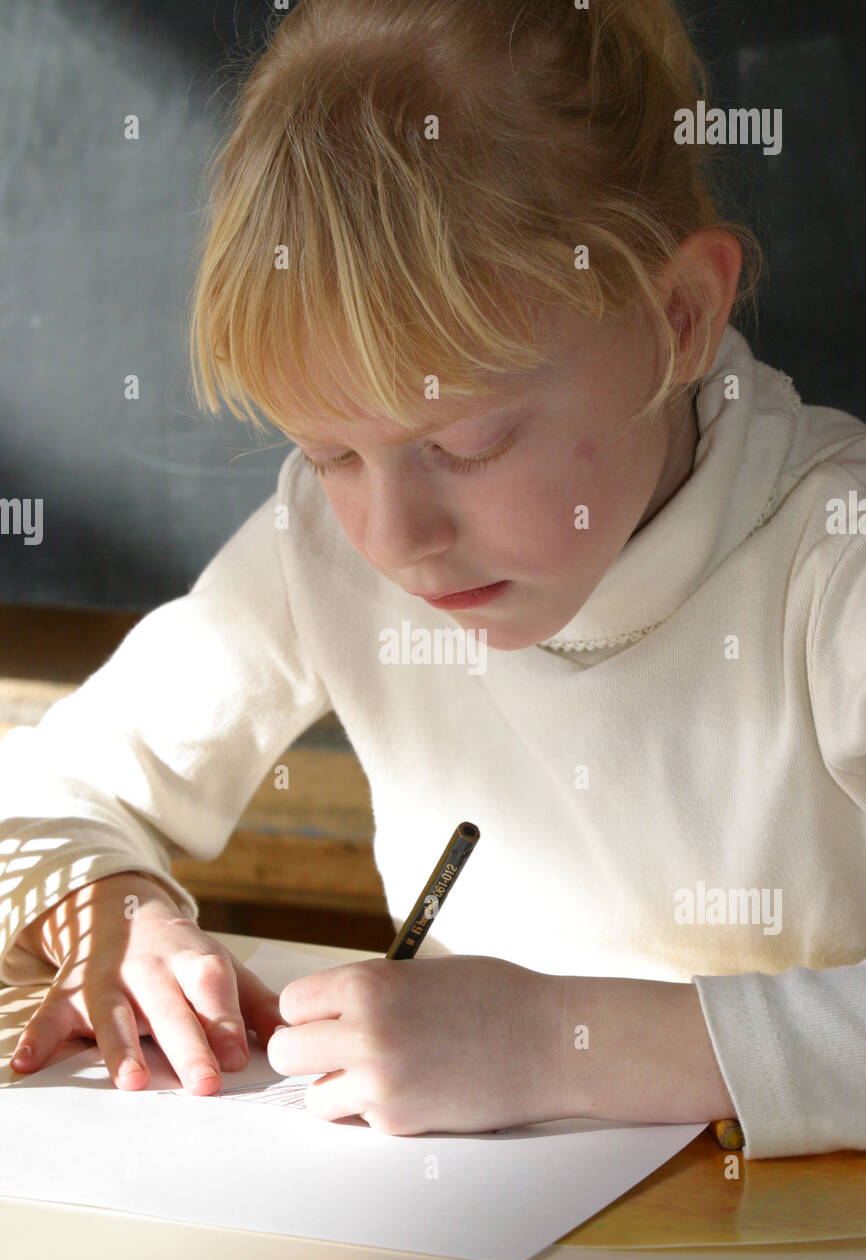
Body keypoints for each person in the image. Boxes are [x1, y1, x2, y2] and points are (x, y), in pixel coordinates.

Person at [2, 0, 864, 1157]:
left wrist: (554, 1041)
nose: (395, 537)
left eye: (464, 445)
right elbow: (43, 788)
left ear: (677, 317)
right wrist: (115, 906)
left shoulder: (830, 560)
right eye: (327, 452)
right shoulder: (329, 543)